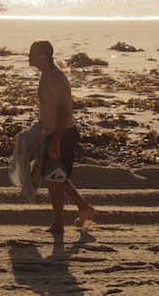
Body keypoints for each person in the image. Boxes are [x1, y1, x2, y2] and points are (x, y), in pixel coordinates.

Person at [28, 40, 95, 233]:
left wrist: (55, 142)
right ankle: (81, 209)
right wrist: (40, 126)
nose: (28, 56)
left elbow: (63, 113)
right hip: (52, 133)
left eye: (32, 53)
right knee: (54, 179)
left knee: (54, 179)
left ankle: (65, 220)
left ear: (43, 56)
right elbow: (48, 107)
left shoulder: (56, 78)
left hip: (63, 135)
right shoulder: (46, 74)